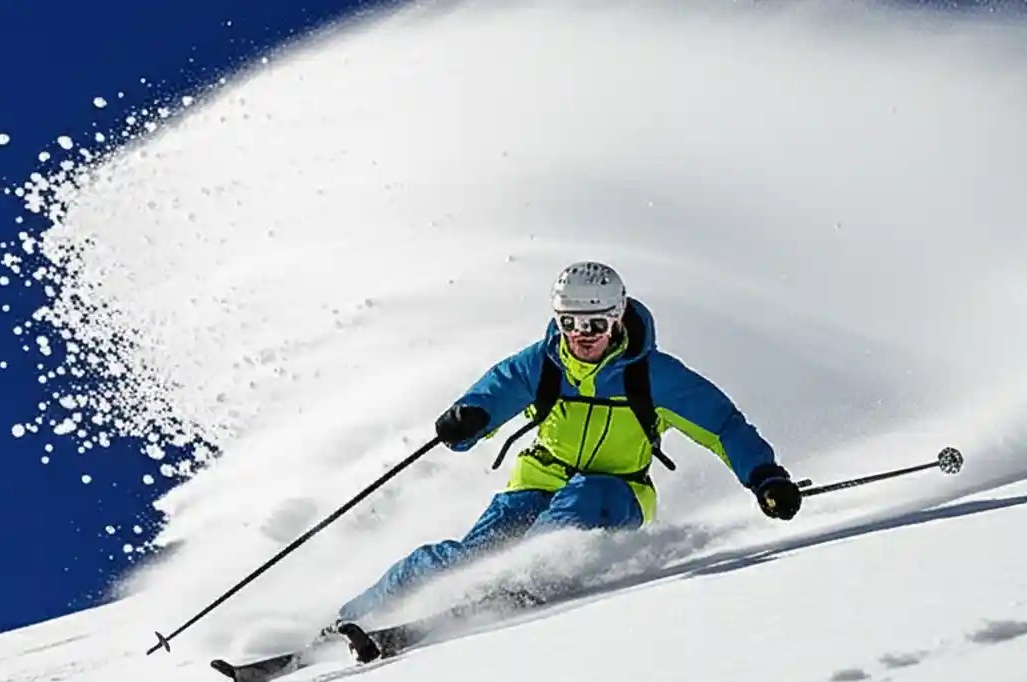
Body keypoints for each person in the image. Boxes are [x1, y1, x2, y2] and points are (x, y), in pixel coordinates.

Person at [335, 261, 800, 624]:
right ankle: (353, 618)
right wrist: (467, 418)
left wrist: (764, 476)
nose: (581, 336)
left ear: (616, 320)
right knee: (466, 557)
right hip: (537, 482)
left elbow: (722, 426)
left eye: (594, 325)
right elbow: (497, 390)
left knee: (586, 492)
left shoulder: (652, 375)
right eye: (569, 322)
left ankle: (513, 584)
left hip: (618, 493)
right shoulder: (544, 363)